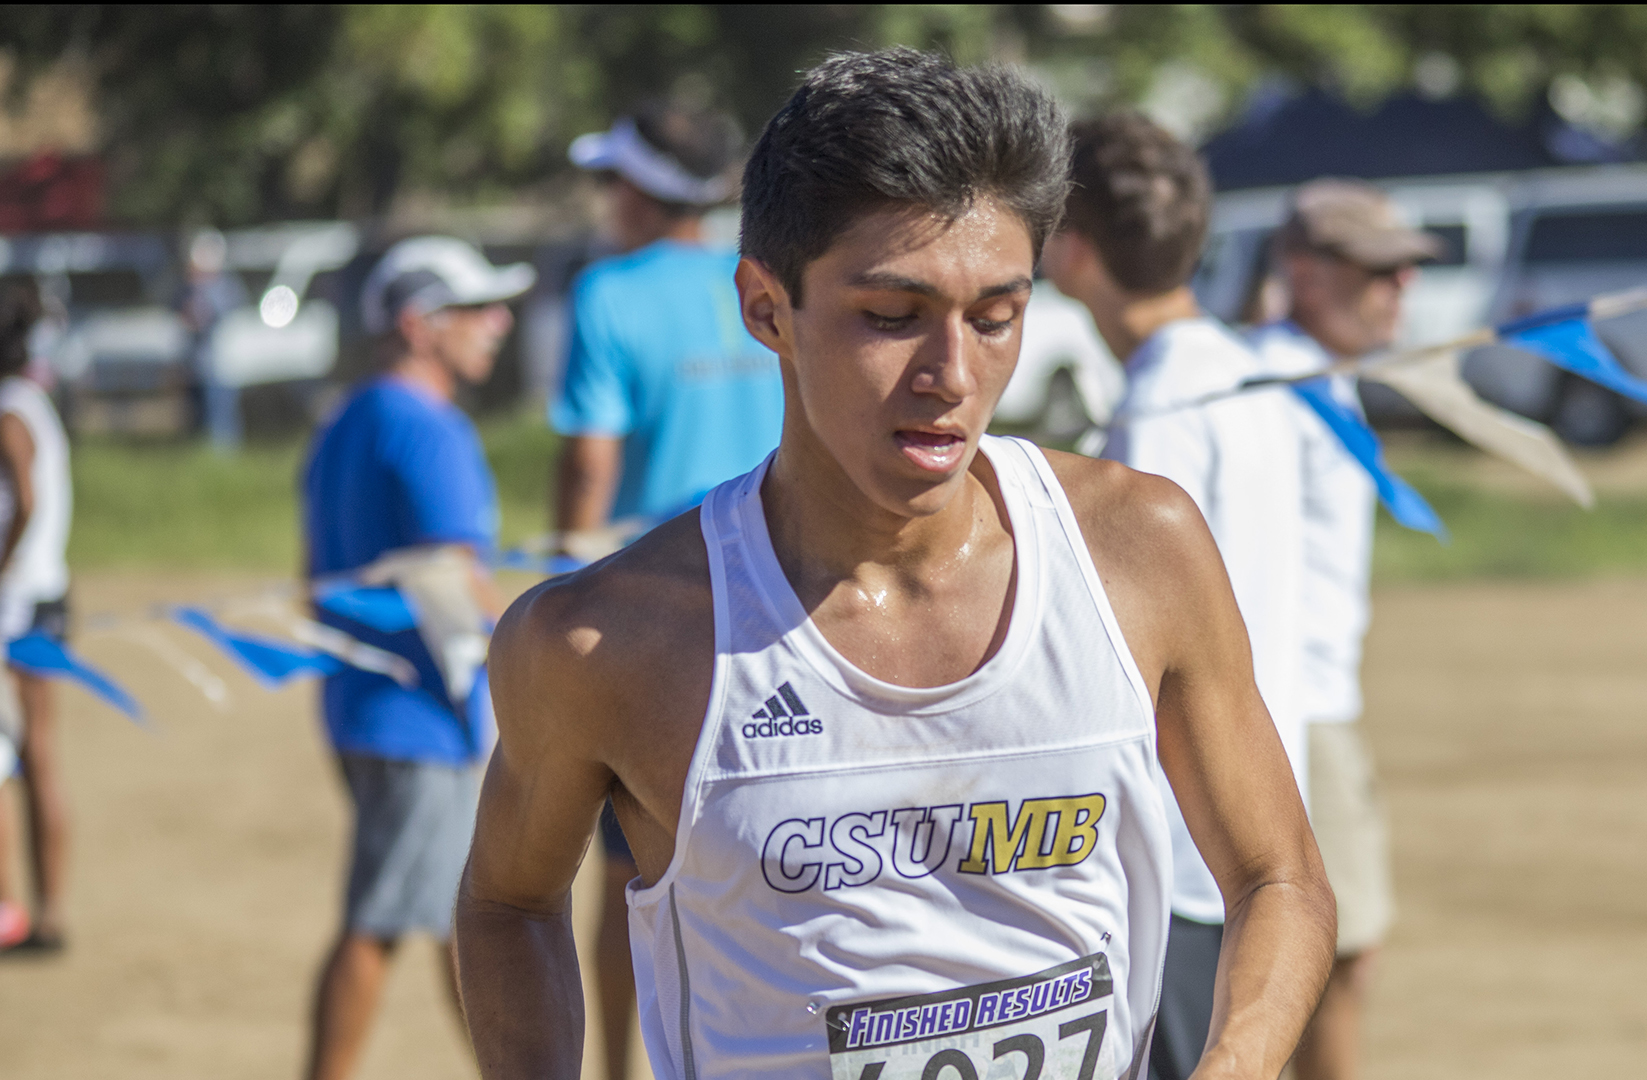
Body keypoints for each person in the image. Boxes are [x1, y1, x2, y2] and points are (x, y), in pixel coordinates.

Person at [456, 48, 1335, 1080]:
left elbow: (1282, 877)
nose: (952, 375)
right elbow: (507, 902)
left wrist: (1238, 1060)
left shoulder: (1142, 549)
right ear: (765, 308)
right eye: (892, 316)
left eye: (996, 317)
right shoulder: (607, 640)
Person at [1040, 113, 1309, 1080]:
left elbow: (1123, 637)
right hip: (1263, 803)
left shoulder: (1162, 410)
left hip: (1192, 843)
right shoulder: (1252, 369)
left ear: (1071, 251)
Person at [555, 99, 784, 1080]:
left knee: (625, 871)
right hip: (786, 597)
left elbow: (585, 477)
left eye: (611, 179)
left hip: (651, 614)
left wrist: (565, 597)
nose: (604, 199)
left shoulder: (606, 293)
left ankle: (620, 1071)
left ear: (646, 193)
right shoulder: (768, 282)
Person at [299, 236, 532, 1080]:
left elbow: (312, 580)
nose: (498, 324)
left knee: (456, 919)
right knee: (383, 922)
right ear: (416, 324)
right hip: (423, 717)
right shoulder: (429, 427)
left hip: (361, 708)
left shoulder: (347, 420)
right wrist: (545, 657)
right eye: (474, 310)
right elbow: (458, 585)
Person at [1246, 179, 1441, 1080]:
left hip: (1321, 703)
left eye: (1406, 269)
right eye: (1378, 270)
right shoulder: (1271, 386)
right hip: (1299, 711)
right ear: (1306, 274)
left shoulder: (1319, 382)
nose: (1400, 286)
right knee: (1337, 949)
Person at [0, 280, 73, 957]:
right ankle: (42, 913)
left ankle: (18, 910)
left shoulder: (9, 411)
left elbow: (21, 499)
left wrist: (1, 564)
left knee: (17, 759)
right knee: (34, 756)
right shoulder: (35, 403)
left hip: (18, 603)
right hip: (46, 595)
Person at [180, 229, 247, 450]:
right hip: (202, 364)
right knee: (203, 414)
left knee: (221, 415)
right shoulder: (197, 288)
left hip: (221, 364)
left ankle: (224, 455)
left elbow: (205, 316)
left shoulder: (223, 287)